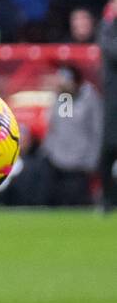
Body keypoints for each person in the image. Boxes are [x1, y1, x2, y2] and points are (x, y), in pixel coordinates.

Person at [40, 65, 102, 206]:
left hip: (81, 163)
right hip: (58, 161)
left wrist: (93, 158)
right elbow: (61, 126)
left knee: (77, 203)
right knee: (59, 202)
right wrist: (49, 151)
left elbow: (97, 130)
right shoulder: (64, 98)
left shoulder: (89, 97)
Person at [100, 0, 117, 212]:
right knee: (108, 150)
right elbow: (112, 52)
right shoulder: (107, 27)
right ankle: (107, 199)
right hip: (114, 99)